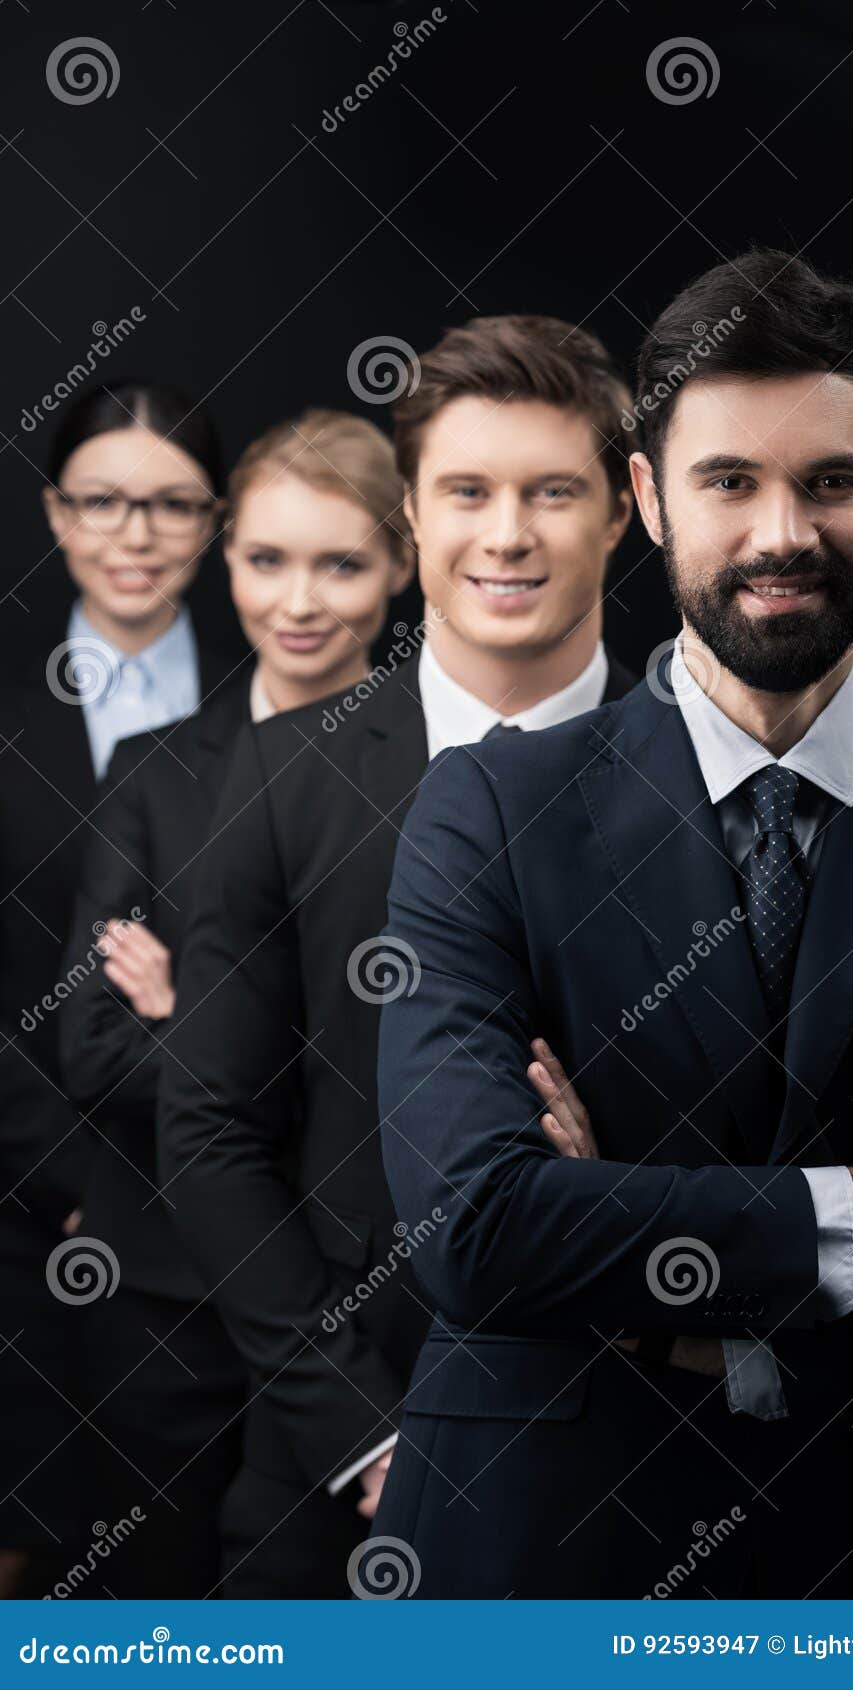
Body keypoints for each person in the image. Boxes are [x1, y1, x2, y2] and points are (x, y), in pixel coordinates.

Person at [372, 250, 853, 1599]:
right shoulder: (488, 810)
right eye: (729, 480)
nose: (781, 532)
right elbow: (477, 1225)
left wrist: (694, 1320)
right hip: (545, 1550)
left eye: (832, 481)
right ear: (648, 496)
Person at [157, 314, 637, 1597]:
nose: (509, 534)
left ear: (623, 513)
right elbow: (208, 1129)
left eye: (554, 491)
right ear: (413, 520)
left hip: (645, 1467)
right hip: (333, 1483)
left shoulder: (710, 781)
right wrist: (371, 1430)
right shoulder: (280, 782)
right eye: (468, 492)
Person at [55, 409, 414, 1595]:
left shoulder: (452, 770)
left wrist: (199, 1012)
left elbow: (442, 1046)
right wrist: (305, 1049)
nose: (299, 601)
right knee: (150, 1604)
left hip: (358, 1294)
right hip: (165, 1296)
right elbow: (97, 1044)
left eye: (341, 563)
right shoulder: (158, 769)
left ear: (403, 561)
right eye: (267, 561)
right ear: (227, 560)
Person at [0, 381, 224, 1592]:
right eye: (103, 500)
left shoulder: (276, 701)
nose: (135, 534)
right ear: (54, 513)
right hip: (25, 1203)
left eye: (171, 503)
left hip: (227, 1196)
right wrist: (73, 1186)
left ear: (215, 518)